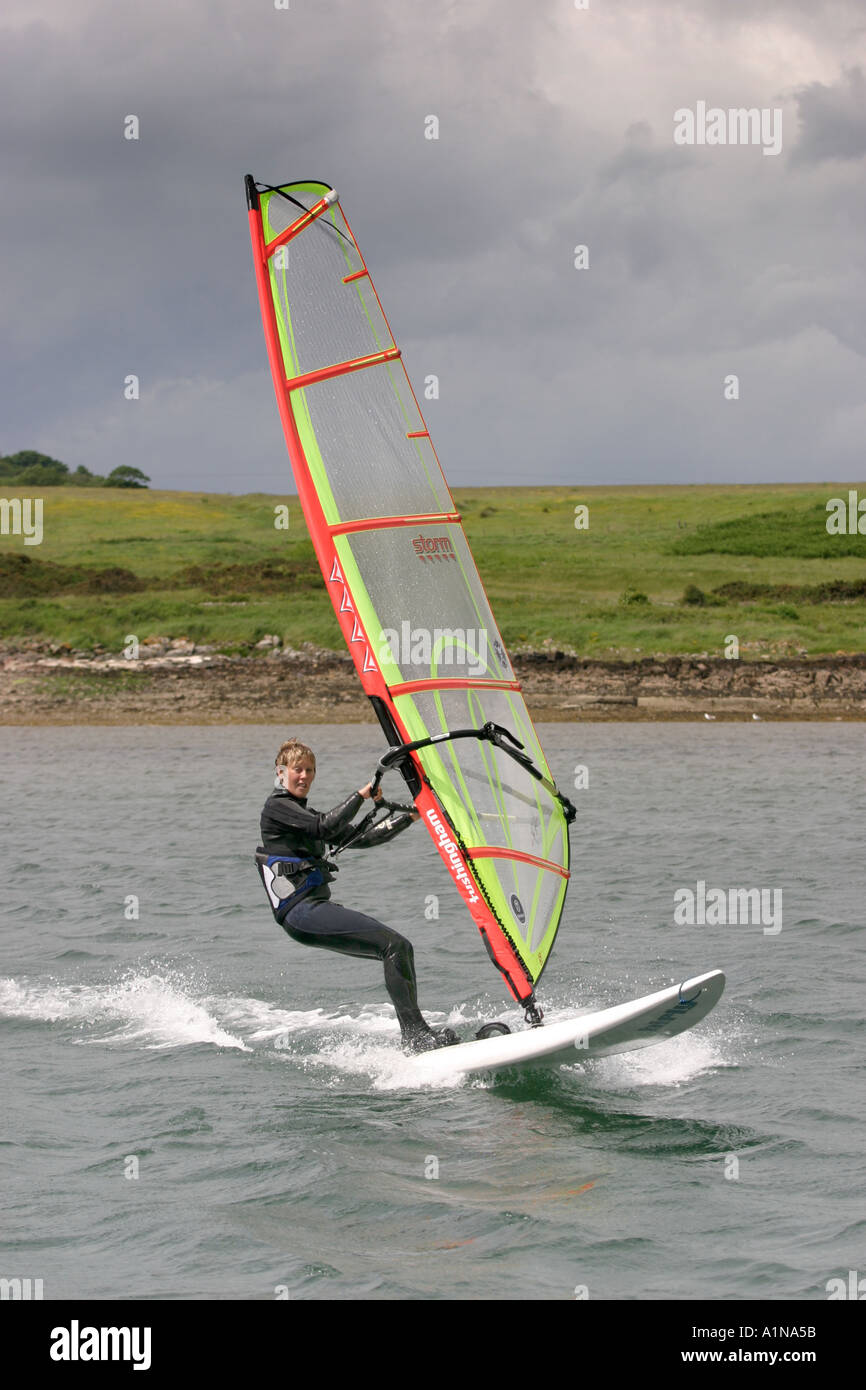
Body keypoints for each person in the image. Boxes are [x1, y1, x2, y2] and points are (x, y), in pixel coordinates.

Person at [255, 737, 459, 1053]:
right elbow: (325, 826)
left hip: (312, 908)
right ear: (280, 773)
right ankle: (416, 1038)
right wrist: (363, 794)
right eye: (297, 770)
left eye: (310, 770)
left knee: (398, 948)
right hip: (299, 912)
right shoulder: (277, 807)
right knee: (394, 946)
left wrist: (412, 817)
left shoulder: (304, 816)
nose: (304, 777)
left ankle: (417, 1034)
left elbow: (364, 838)